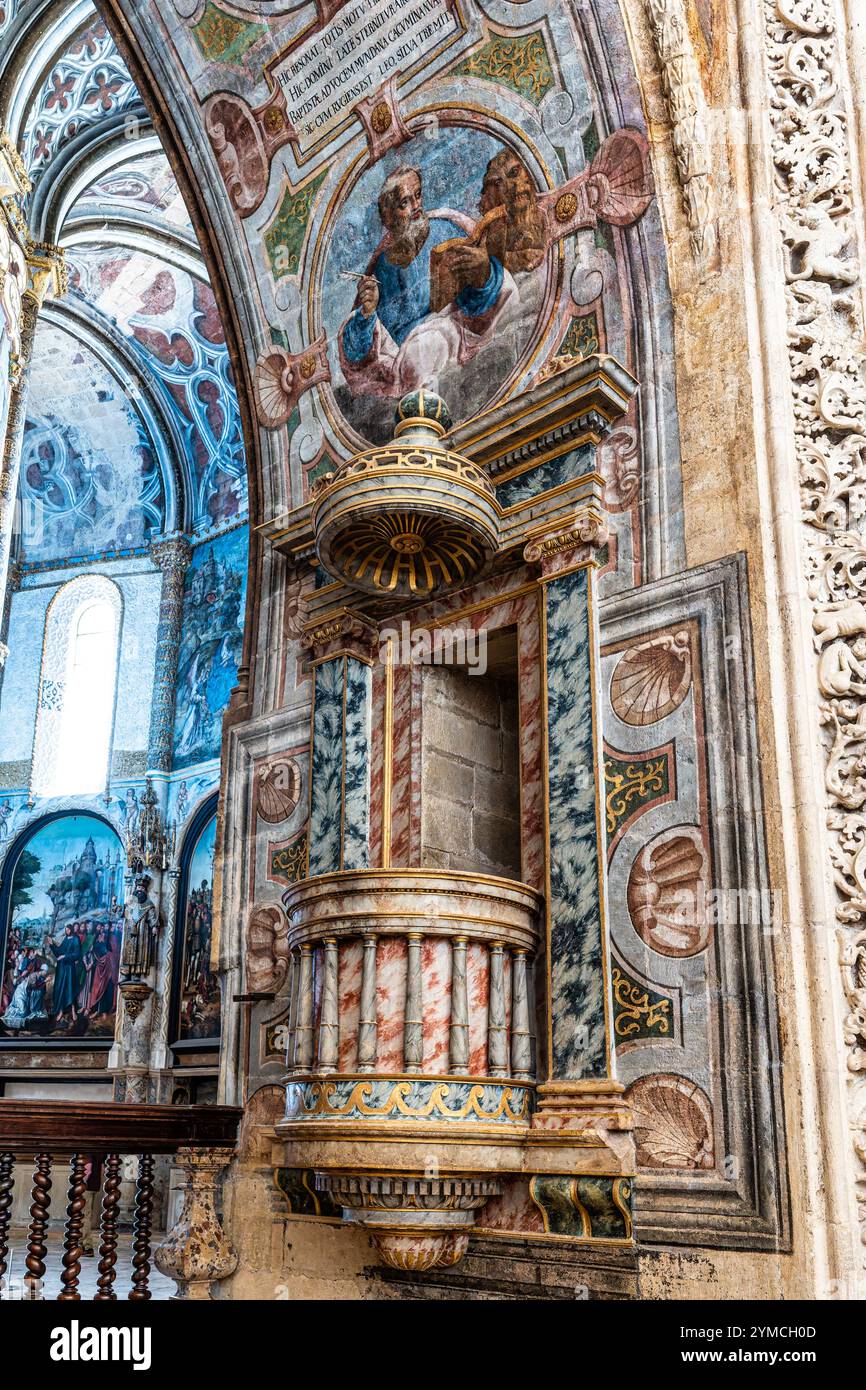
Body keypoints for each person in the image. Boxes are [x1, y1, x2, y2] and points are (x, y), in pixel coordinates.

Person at [338, 164, 518, 400]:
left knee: (508, 287)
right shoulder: (380, 269)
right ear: (388, 219)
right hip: (413, 355)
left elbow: (480, 300)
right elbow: (358, 353)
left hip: (460, 327)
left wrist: (482, 274)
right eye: (404, 203)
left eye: (418, 196)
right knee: (422, 352)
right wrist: (366, 315)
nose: (415, 207)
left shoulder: (447, 228)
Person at [50, 924, 83, 1025]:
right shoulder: (66, 939)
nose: (67, 930)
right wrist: (52, 945)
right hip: (61, 968)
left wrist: (65, 956)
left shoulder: (75, 939)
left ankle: (73, 1010)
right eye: (66, 929)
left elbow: (77, 954)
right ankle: (60, 1011)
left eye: (68, 929)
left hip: (69, 969)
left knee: (69, 989)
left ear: (71, 929)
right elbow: (59, 952)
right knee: (60, 989)